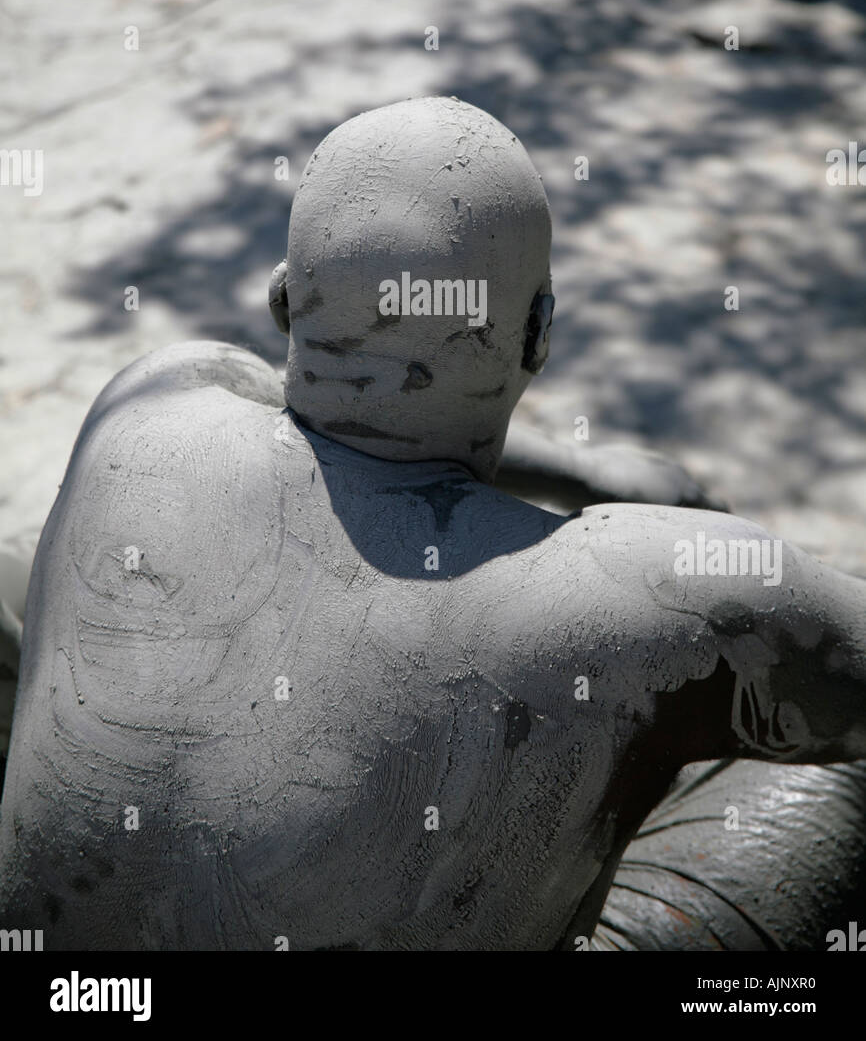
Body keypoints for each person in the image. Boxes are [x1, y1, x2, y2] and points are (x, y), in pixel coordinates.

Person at [1, 96, 864, 951]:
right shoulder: (662, 588)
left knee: (26, 573)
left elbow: (320, 418)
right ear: (540, 334)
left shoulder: (152, 398)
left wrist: (579, 469)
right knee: (832, 788)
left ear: (281, 306)